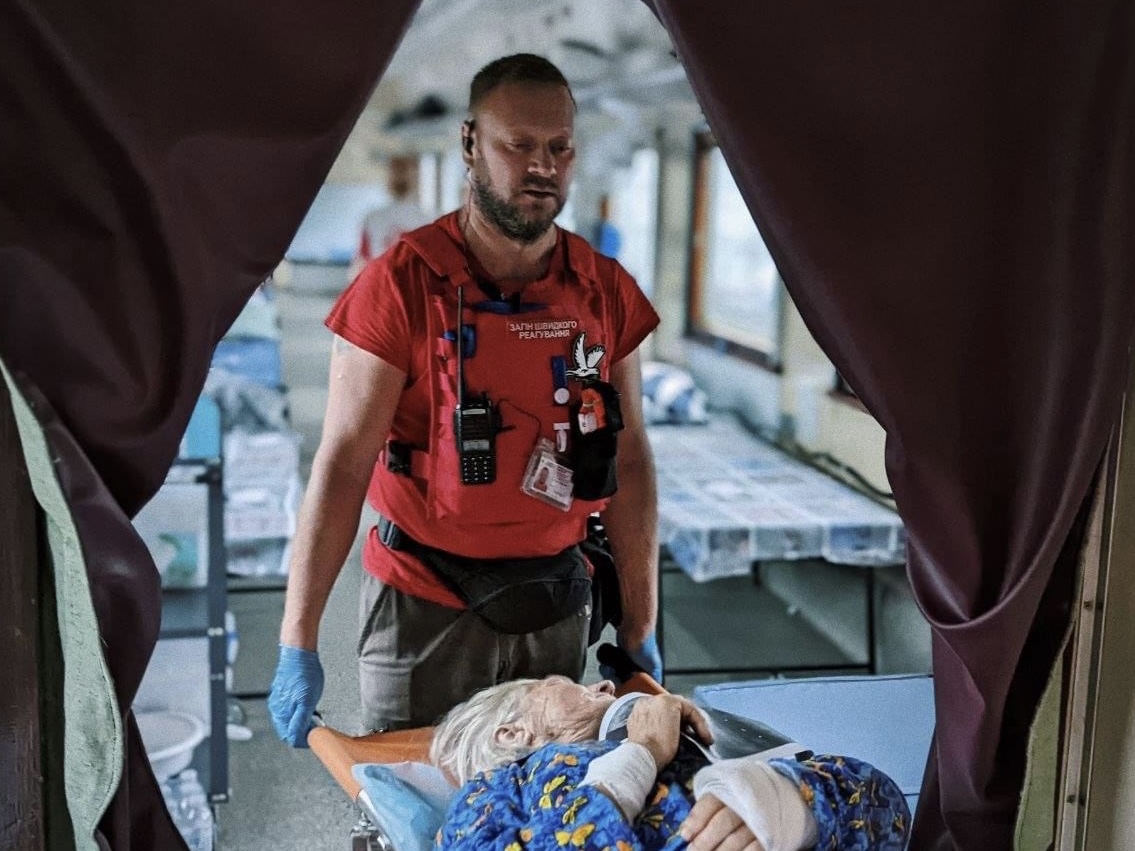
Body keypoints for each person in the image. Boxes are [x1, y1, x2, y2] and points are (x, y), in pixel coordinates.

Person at [268, 53, 663, 746]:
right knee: (422, 795)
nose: (541, 165)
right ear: (470, 143)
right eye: (519, 145)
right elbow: (342, 463)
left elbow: (628, 458)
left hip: (557, 601)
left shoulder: (605, 291)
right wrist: (298, 637)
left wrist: (641, 620)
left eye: (559, 147)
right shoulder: (399, 287)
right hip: (423, 604)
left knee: (543, 802)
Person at [429, 676, 910, 851]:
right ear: (513, 732)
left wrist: (778, 804)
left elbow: (885, 805)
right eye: (568, 684)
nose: (605, 687)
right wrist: (637, 758)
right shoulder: (491, 793)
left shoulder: (702, 738)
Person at [346, 155, 431, 281]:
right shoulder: (431, 220)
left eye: (402, 169)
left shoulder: (373, 218)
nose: (399, 175)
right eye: (397, 169)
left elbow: (359, 269)